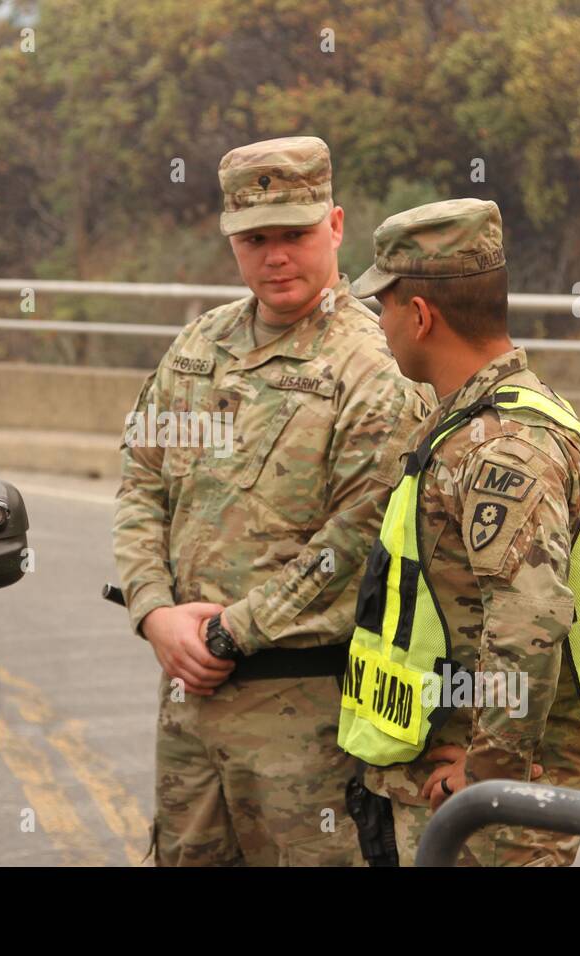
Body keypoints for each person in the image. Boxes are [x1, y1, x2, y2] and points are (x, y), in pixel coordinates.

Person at [112, 135, 435, 866]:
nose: (276, 256)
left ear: (337, 226)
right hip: (189, 713)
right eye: (255, 239)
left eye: (294, 234)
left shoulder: (373, 366)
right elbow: (141, 482)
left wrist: (229, 633)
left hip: (308, 722)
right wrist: (153, 610)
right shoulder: (199, 347)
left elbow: (357, 543)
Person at [337, 198, 580, 866]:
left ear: (421, 315)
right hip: (468, 803)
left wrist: (487, 778)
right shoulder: (484, 420)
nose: (381, 325)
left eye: (385, 307)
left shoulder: (501, 447)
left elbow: (530, 617)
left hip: (489, 824)